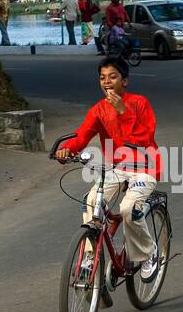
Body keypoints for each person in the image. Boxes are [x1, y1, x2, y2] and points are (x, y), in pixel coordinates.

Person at [52, 56, 162, 281]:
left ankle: (149, 254)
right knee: (92, 200)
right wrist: (66, 150)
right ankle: (90, 256)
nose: (107, 82)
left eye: (113, 77)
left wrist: (123, 111)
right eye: (102, 78)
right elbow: (82, 136)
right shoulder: (99, 110)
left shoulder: (139, 103)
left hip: (144, 167)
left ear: (125, 81)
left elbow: (143, 138)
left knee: (129, 209)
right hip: (116, 167)